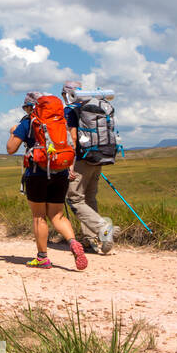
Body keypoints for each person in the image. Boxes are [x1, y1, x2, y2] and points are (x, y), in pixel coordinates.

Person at [6, 92, 88, 270]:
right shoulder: (60, 122)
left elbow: (11, 149)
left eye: (26, 107)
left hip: (37, 173)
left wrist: (13, 133)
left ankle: (42, 258)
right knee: (57, 215)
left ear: (31, 107)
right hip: (60, 172)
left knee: (38, 216)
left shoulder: (27, 123)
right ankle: (73, 242)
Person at [62, 81, 117, 254]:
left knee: (75, 198)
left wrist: (69, 165)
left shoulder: (71, 110)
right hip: (98, 157)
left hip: (81, 159)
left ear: (67, 94)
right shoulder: (96, 106)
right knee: (90, 197)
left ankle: (102, 227)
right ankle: (92, 240)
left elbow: (72, 136)